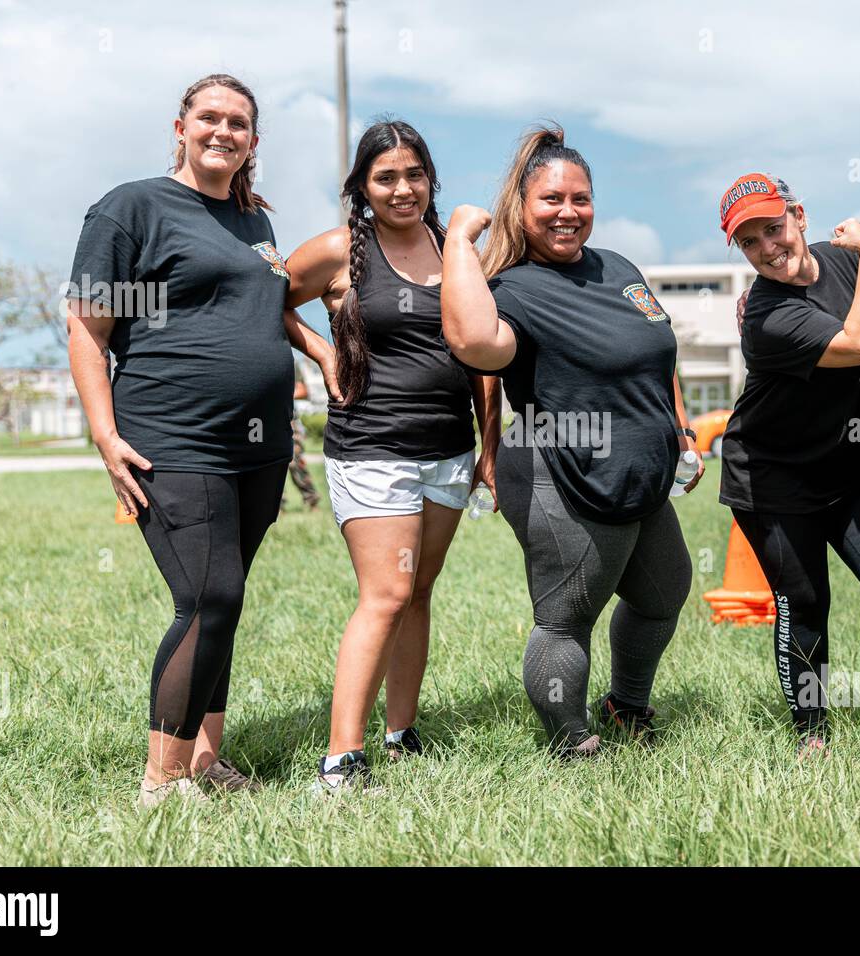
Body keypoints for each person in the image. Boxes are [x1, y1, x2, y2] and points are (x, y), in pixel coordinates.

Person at [65, 74, 338, 807]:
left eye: (239, 123)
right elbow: (87, 328)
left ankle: (205, 759)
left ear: (254, 141)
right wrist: (104, 434)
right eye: (209, 118)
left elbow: (264, 307)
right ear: (180, 126)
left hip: (257, 446)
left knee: (230, 596)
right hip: (170, 435)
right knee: (207, 595)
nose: (224, 131)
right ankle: (161, 781)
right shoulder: (133, 208)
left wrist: (321, 349)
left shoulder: (254, 223)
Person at [440, 125, 699, 756]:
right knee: (567, 618)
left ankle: (626, 705)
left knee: (663, 594)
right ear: (521, 210)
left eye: (579, 198)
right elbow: (474, 344)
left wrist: (682, 428)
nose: (568, 212)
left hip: (643, 474)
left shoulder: (620, 268)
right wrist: (457, 241)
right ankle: (570, 739)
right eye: (551, 200)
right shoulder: (513, 289)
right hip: (565, 474)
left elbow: (659, 352)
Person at [284, 120, 500, 792]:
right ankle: (340, 759)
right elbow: (262, 303)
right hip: (372, 449)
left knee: (420, 594)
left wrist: (489, 448)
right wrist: (322, 353)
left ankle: (401, 734)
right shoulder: (337, 250)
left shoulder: (456, 252)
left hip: (449, 450)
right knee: (387, 594)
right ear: (362, 186)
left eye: (414, 175)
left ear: (430, 180)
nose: (402, 189)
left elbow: (482, 360)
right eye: (386, 177)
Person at [718, 174, 860, 757]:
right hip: (771, 477)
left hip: (850, 466)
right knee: (805, 603)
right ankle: (812, 733)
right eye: (750, 242)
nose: (767, 248)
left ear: (799, 215)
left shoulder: (843, 262)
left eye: (773, 228)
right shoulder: (766, 315)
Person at [282, 362, 322, 511]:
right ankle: (277, 508)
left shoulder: (289, 361)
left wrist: (275, 393)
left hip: (287, 419)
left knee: (295, 461)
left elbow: (303, 391)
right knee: (268, 465)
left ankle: (312, 500)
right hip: (261, 420)